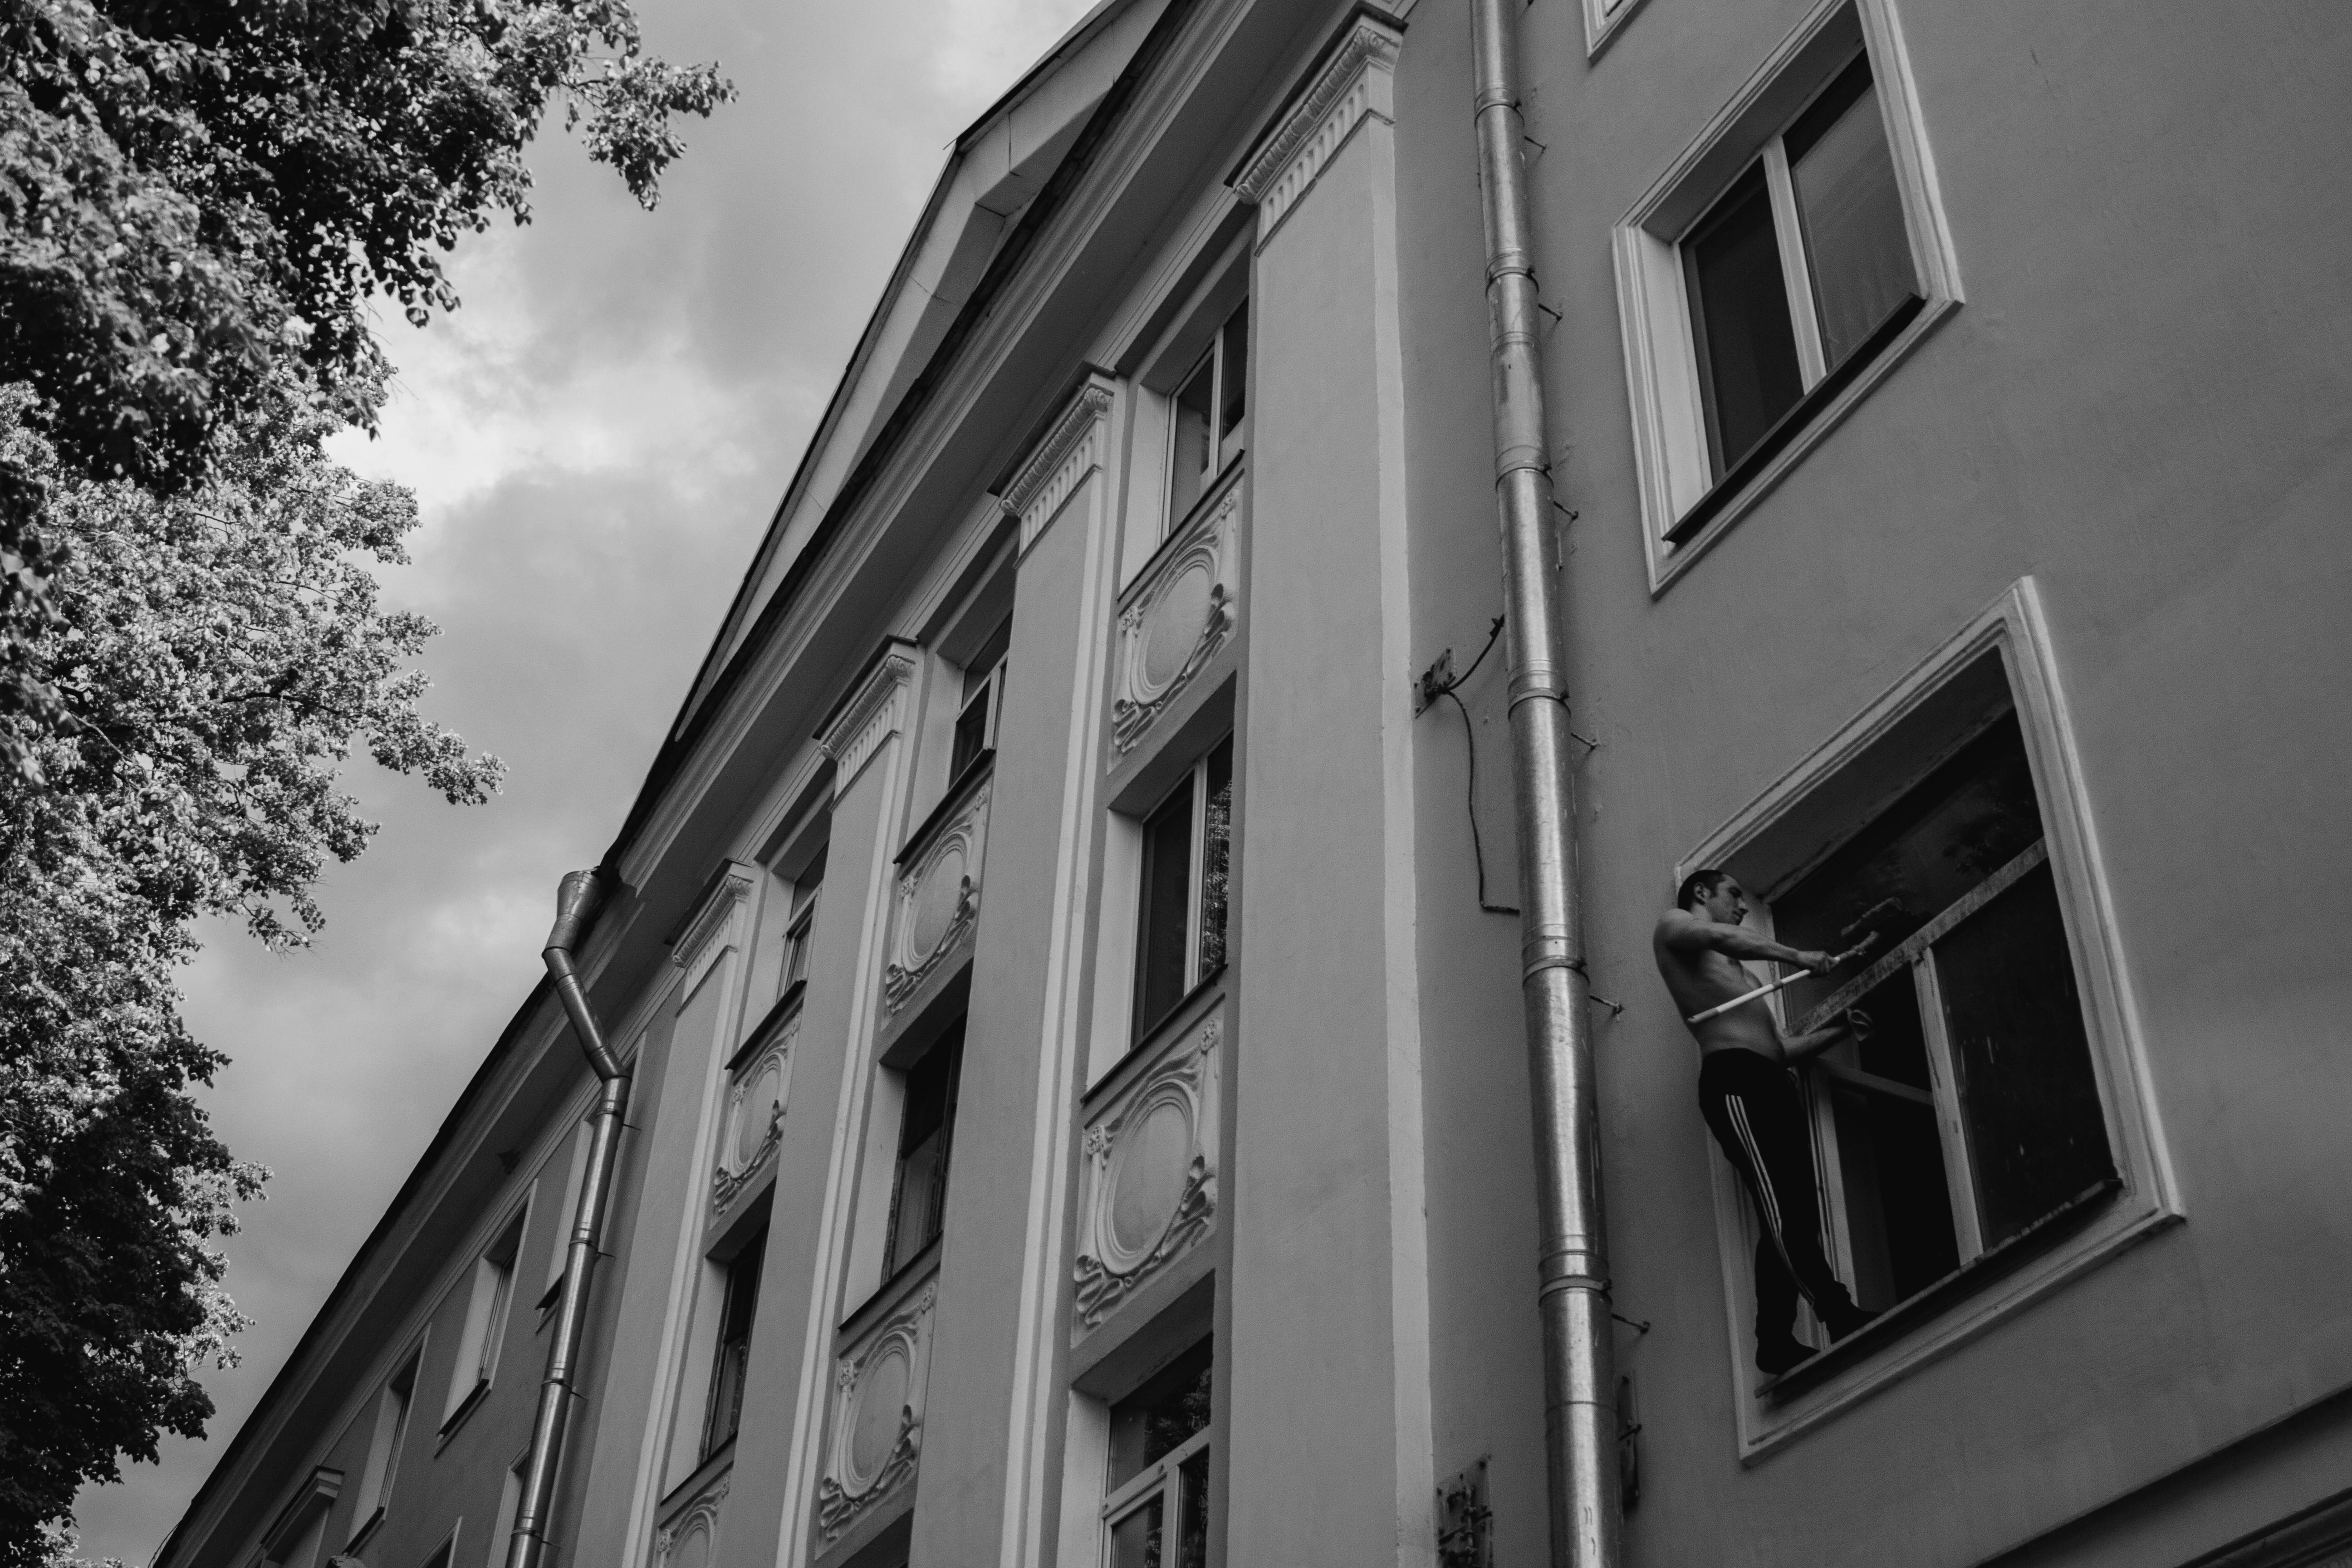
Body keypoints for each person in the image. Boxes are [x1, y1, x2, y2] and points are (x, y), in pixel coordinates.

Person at [1654, 868, 1877, 1375]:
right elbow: (1716, 933)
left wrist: (1840, 1028)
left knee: (1793, 1210)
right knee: (1782, 1209)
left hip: (1769, 1078)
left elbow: (1778, 1050)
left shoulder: (1740, 975)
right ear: (1701, 893)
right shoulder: (1673, 927)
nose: (1742, 906)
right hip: (1735, 1083)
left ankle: (1775, 1340)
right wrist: (1797, 956)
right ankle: (1836, 1312)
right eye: (1734, 895)